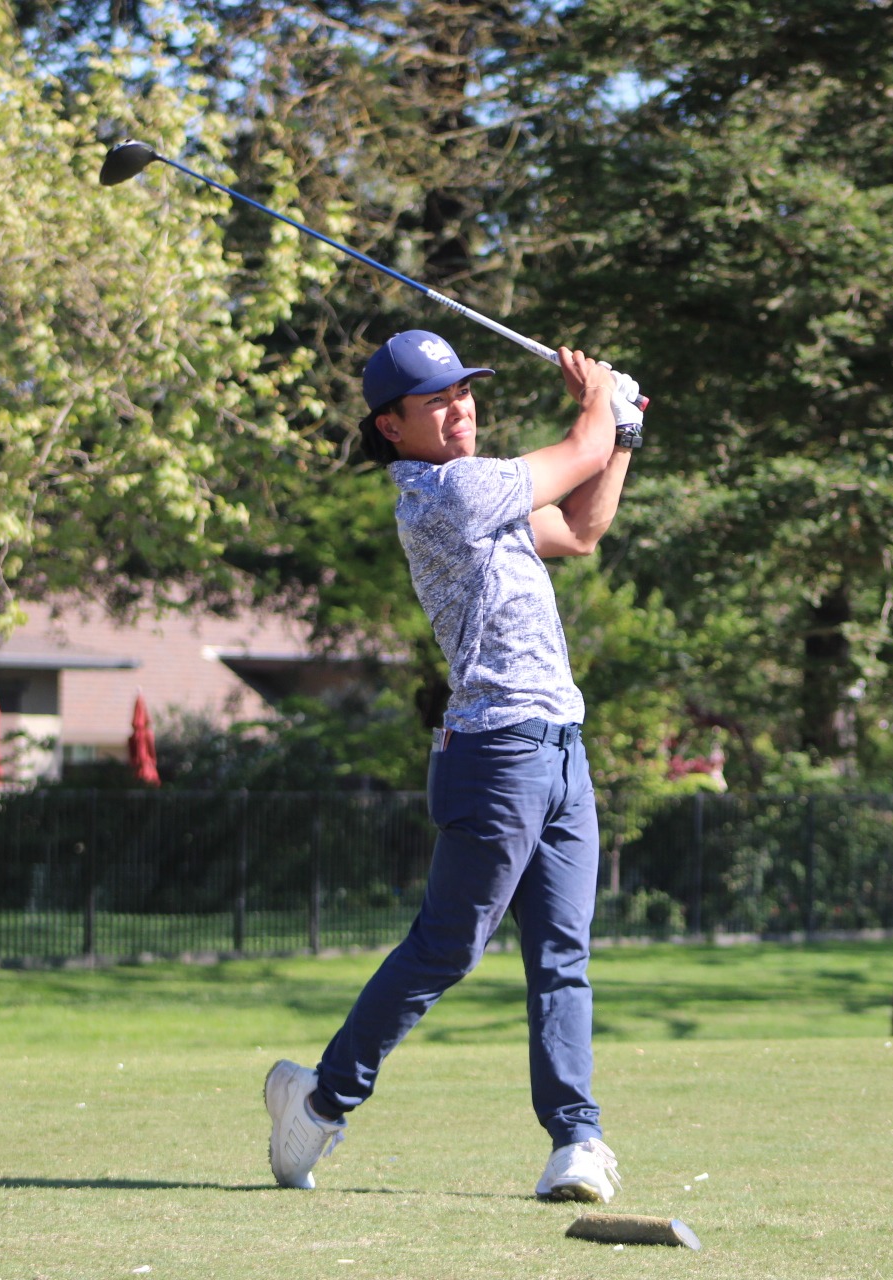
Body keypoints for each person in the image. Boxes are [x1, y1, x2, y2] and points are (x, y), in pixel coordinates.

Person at [263, 328, 644, 1201]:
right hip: (496, 753)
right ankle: (321, 1103)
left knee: (562, 953)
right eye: (436, 401)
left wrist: (621, 434)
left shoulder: (488, 497)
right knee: (447, 948)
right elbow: (575, 450)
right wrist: (600, 401)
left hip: (561, 748)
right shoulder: (447, 492)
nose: (459, 408)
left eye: (463, 392)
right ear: (392, 428)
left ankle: (576, 1142)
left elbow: (581, 528)